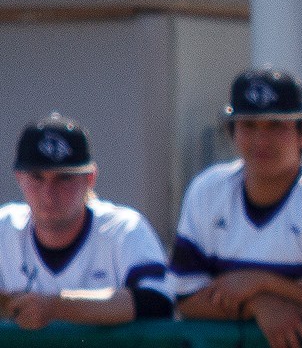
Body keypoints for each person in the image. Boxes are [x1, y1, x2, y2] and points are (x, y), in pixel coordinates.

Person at [170, 67, 302, 348]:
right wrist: (258, 305)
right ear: (231, 131)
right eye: (249, 125)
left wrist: (260, 282)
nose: (261, 140)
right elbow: (185, 299)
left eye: (276, 125)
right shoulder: (206, 192)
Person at [0, 113, 174, 330]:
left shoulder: (123, 228)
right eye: (37, 178)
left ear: (90, 178)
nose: (48, 193)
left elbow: (158, 301)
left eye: (64, 178)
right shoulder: (4, 227)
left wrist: (53, 307)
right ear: (19, 178)